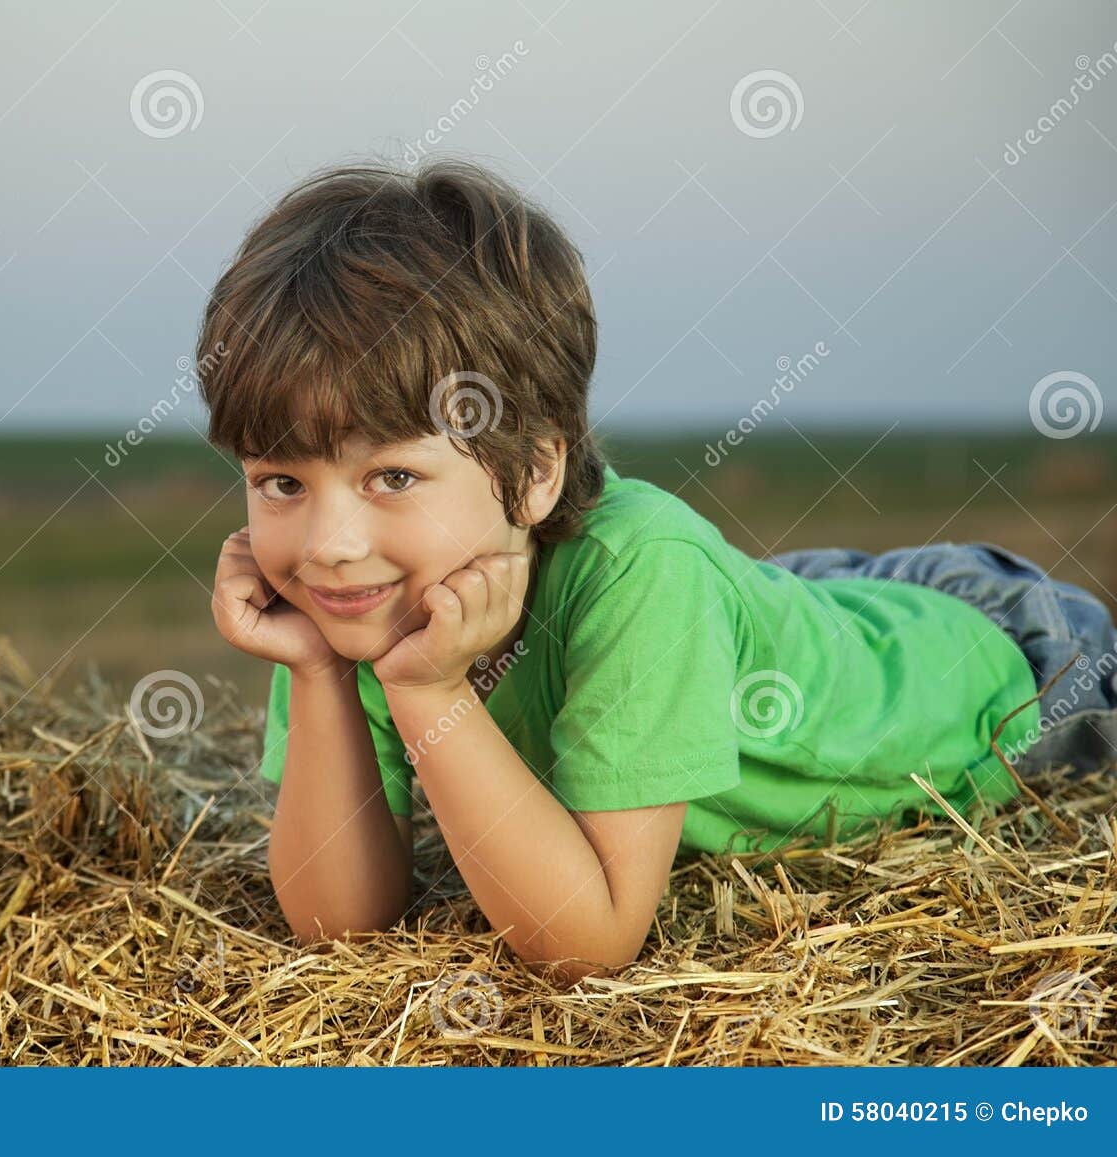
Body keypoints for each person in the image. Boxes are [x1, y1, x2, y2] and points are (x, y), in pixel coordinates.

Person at [199, 156, 1117, 985]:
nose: (326, 541)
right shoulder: (358, 592)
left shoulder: (639, 573)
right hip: (785, 600)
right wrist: (320, 672)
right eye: (281, 481)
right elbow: (337, 923)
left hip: (1006, 667)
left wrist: (432, 696)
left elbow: (588, 941)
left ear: (537, 469)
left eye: (392, 475)